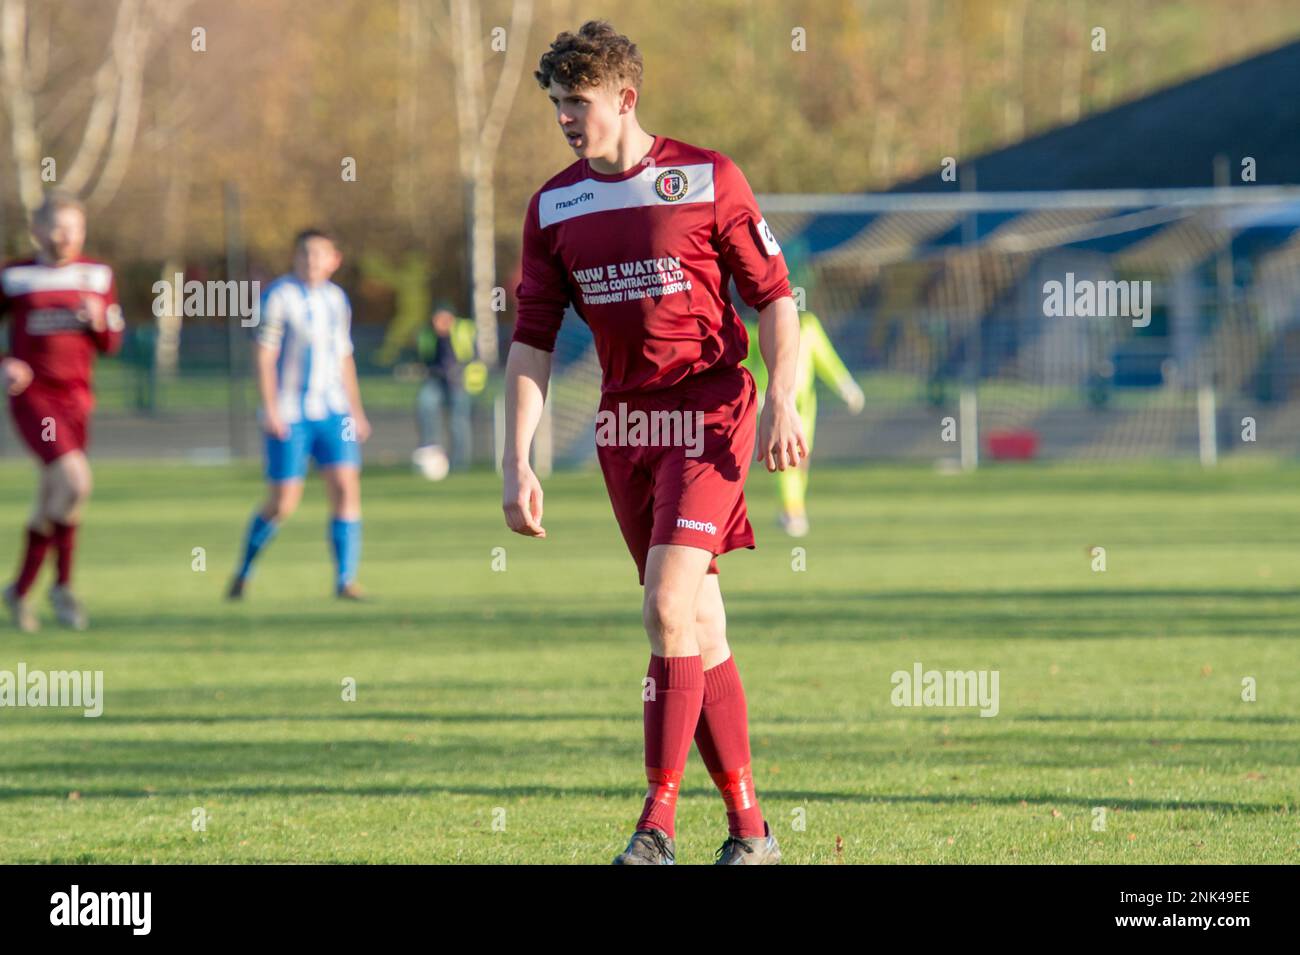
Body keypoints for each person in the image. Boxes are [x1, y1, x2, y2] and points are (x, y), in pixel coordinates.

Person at [502, 21, 806, 865]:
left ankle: (656, 825)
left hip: (708, 414)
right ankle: (751, 832)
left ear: (625, 99)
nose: (566, 116)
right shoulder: (554, 205)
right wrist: (517, 456)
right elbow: (531, 338)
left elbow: (777, 299)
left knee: (667, 605)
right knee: (698, 625)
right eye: (558, 102)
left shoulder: (707, 178)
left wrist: (782, 400)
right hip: (625, 427)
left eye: (580, 101)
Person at [0, 191, 124, 632]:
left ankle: (20, 591)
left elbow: (112, 344)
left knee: (54, 499)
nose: (66, 237)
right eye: (58, 227)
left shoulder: (96, 276)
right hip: (34, 397)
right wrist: (5, 363)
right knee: (76, 482)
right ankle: (63, 586)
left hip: (77, 401)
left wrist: (100, 321)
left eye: (75, 229)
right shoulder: (15, 276)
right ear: (36, 230)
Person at [227, 229, 370, 600]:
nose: (312, 261)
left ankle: (345, 580)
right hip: (291, 413)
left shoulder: (337, 300)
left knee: (345, 488)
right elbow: (264, 355)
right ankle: (243, 572)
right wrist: (271, 407)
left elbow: (344, 357)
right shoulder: (279, 296)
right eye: (305, 254)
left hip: (333, 411)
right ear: (295, 257)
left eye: (320, 255)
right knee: (283, 502)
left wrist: (356, 411)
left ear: (334, 260)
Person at [742, 310, 865, 536]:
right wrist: (756, 394)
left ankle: (794, 507)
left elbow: (825, 358)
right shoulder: (759, 325)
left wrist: (845, 386)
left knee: (801, 456)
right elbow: (745, 362)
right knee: (785, 455)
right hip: (771, 402)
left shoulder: (808, 325)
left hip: (804, 403)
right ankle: (791, 511)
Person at [414, 305, 474, 474]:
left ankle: (459, 464)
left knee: (458, 421)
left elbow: (471, 356)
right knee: (426, 407)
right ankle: (430, 455)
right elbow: (425, 358)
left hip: (459, 380)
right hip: (436, 379)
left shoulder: (463, 330)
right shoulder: (427, 334)